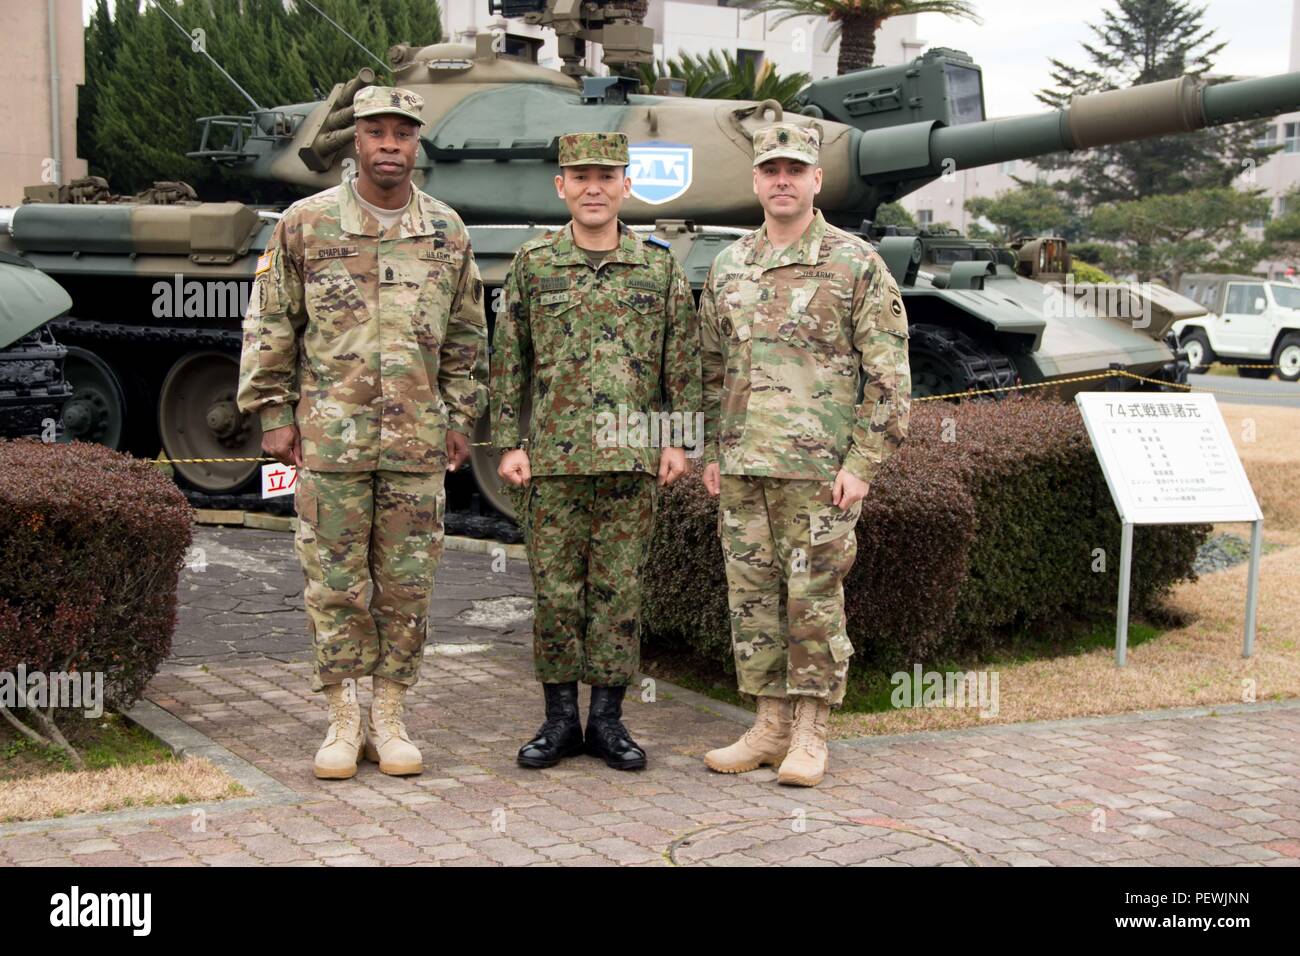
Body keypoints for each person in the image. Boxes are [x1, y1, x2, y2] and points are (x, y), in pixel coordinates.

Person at [236, 86, 487, 780]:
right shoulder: (305, 224)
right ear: (356, 141)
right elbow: (272, 321)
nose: (389, 146)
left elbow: (468, 334)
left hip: (416, 445)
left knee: (407, 585)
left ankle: (392, 715)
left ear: (416, 144)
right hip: (330, 440)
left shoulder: (446, 230)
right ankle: (342, 719)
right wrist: (274, 413)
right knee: (335, 585)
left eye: (402, 135)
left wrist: (461, 417)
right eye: (376, 132)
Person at [698, 123, 911, 787]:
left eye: (795, 168)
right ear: (757, 182)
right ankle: (768, 726)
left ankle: (812, 732)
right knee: (753, 599)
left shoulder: (854, 264)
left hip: (819, 474)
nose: (782, 179)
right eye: (771, 169)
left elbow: (890, 377)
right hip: (742, 468)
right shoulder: (729, 264)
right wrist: (711, 447)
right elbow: (712, 365)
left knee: (813, 600)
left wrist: (863, 464)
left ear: (817, 180)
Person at [490, 132, 701, 771]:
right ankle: (559, 723)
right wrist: (507, 442)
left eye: (606, 176)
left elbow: (681, 361)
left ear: (626, 186)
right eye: (580, 176)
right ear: (561, 186)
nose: (593, 188)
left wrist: (680, 441)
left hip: (632, 460)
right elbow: (509, 360)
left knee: (618, 590)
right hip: (553, 460)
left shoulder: (659, 266)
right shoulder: (534, 264)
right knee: (555, 592)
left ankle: (607, 722)